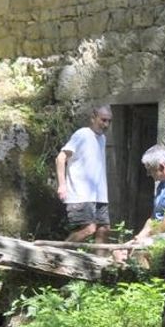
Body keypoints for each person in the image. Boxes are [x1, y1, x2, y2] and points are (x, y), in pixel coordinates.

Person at [55, 103, 112, 243]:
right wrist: (62, 185)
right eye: (103, 120)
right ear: (93, 118)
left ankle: (99, 264)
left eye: (109, 121)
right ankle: (58, 256)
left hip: (99, 195)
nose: (106, 124)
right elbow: (60, 158)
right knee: (89, 229)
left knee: (104, 229)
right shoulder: (82, 134)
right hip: (81, 194)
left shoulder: (102, 139)